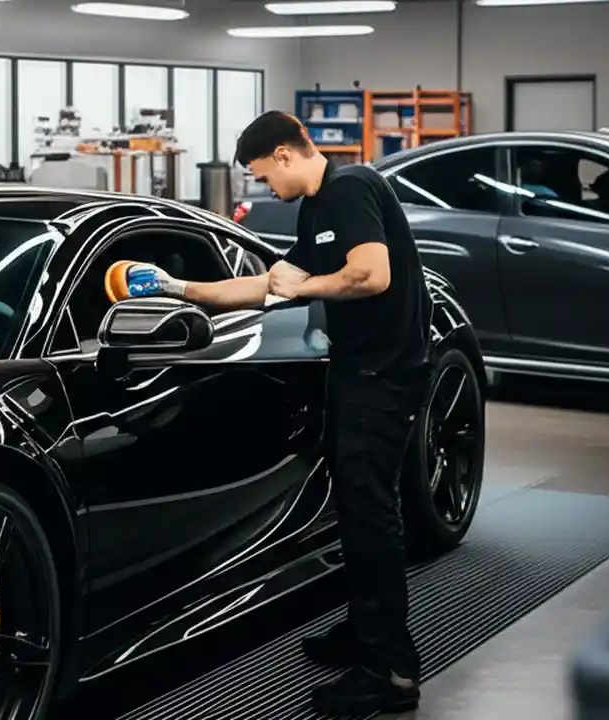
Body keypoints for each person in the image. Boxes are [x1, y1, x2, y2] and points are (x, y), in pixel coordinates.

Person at [117, 110, 433, 715]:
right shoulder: (318, 209)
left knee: (372, 517)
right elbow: (266, 283)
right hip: (354, 371)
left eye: (264, 176)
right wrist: (176, 288)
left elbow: (371, 275)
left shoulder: (351, 188)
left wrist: (301, 287)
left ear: (285, 156)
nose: (266, 188)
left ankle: (390, 670)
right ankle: (363, 631)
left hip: (384, 377)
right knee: (353, 510)